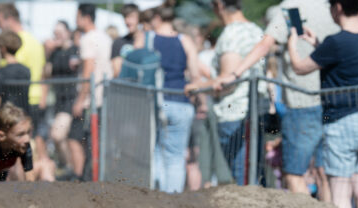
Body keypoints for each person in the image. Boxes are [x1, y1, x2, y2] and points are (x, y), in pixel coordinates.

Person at [213, 0, 339, 200]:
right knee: (323, 172)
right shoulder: (330, 6)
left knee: (294, 174)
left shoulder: (290, 8)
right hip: (332, 99)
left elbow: (265, 44)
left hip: (301, 100)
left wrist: (235, 73)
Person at [287, 0, 358, 208]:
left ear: (338, 7)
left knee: (340, 194)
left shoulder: (336, 42)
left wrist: (292, 42)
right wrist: (317, 45)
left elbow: (299, 67)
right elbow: (345, 59)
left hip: (343, 122)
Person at [206, 0, 265, 186]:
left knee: (244, 181)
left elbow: (227, 82)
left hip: (234, 113)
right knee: (254, 176)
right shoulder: (256, 30)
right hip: (255, 111)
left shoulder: (231, 34)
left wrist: (198, 87)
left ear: (220, 5)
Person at [150, 3, 201, 193]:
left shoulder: (148, 39)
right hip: (180, 101)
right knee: (176, 157)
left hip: (155, 101)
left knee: (155, 152)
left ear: (157, 18)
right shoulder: (185, 40)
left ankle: (154, 199)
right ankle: (172, 202)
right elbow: (195, 76)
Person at [0, 4, 48, 165]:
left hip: (20, 99)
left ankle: (38, 171)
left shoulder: (20, 43)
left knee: (23, 142)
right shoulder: (34, 41)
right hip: (35, 96)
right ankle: (42, 170)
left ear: (9, 20)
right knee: (34, 137)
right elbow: (43, 71)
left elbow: (11, 70)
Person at [74, 3, 112, 181]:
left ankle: (87, 180)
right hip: (106, 96)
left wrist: (80, 99)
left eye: (77, 16)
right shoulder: (105, 37)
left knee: (87, 142)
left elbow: (88, 69)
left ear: (86, 18)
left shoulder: (87, 38)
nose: (76, 20)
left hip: (92, 99)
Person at [44, 20, 85, 179]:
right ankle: (68, 168)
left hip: (72, 100)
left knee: (58, 134)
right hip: (58, 100)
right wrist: (47, 54)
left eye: (60, 32)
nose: (57, 36)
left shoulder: (76, 50)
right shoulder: (54, 53)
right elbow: (46, 74)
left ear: (68, 32)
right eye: (55, 33)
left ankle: (69, 168)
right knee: (63, 138)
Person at [0, 31, 31, 113]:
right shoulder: (26, 70)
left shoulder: (1, 72)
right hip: (23, 116)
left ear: (3, 48)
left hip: (7, 117)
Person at [111, 4, 141, 77]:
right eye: (125, 17)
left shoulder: (148, 41)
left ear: (139, 18)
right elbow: (117, 72)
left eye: (131, 17)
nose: (128, 21)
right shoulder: (118, 42)